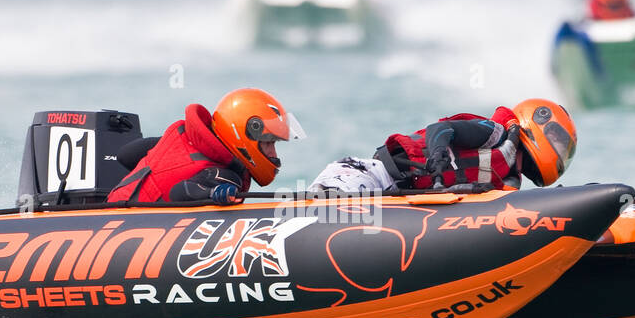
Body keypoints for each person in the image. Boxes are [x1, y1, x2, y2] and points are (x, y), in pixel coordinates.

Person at [330, 99, 575, 193]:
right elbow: (441, 130)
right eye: (558, 139)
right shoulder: (496, 134)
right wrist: (438, 157)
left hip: (395, 201)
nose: (560, 150)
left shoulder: (508, 182)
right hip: (369, 175)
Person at [108, 88, 305, 205]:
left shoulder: (182, 135)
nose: (273, 154)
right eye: (269, 143)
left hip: (105, 212)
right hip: (124, 225)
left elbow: (125, 155)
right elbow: (179, 191)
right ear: (244, 136)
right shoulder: (226, 176)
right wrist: (212, 193)